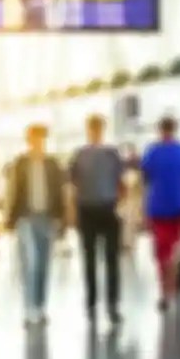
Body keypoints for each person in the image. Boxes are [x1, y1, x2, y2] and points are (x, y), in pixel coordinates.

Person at [69, 114, 127, 325]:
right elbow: (73, 184)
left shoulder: (105, 153)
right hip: (93, 208)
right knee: (94, 260)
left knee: (106, 260)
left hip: (100, 209)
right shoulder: (104, 154)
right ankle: (97, 304)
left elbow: (121, 184)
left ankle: (106, 304)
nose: (95, 132)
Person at [6, 124, 65, 327]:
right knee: (29, 263)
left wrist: (61, 219)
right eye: (34, 139)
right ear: (28, 140)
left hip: (47, 218)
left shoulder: (52, 164)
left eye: (41, 139)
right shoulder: (20, 163)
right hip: (26, 217)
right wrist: (10, 219)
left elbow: (59, 192)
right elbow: (13, 190)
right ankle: (29, 308)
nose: (37, 143)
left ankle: (40, 306)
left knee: (43, 264)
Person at [140, 117, 180, 311]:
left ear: (160, 130)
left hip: (158, 210)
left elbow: (145, 180)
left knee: (162, 254)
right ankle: (176, 287)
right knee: (178, 252)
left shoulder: (152, 152)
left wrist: (144, 212)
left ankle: (165, 291)